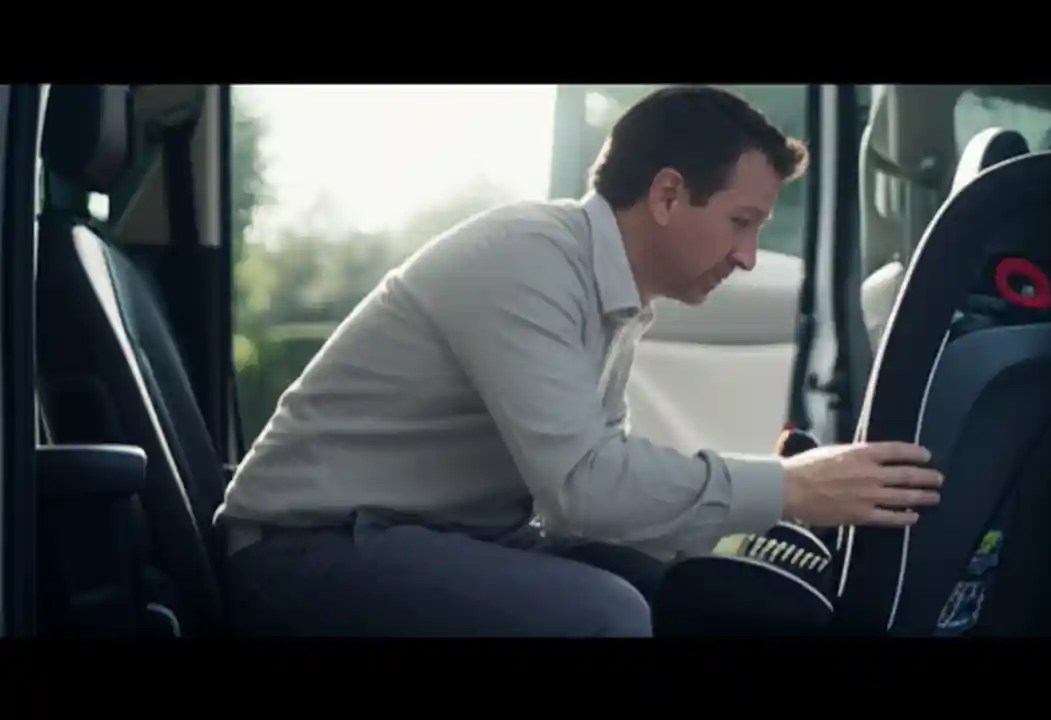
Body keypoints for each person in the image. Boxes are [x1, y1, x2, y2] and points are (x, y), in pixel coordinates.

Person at [213, 85, 944, 638]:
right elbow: (585, 491)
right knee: (609, 614)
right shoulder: (528, 259)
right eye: (740, 222)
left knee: (676, 588)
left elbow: (604, 498)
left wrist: (753, 534)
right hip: (304, 549)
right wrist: (786, 488)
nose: (749, 255)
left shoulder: (617, 295)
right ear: (666, 194)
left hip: (431, 534)